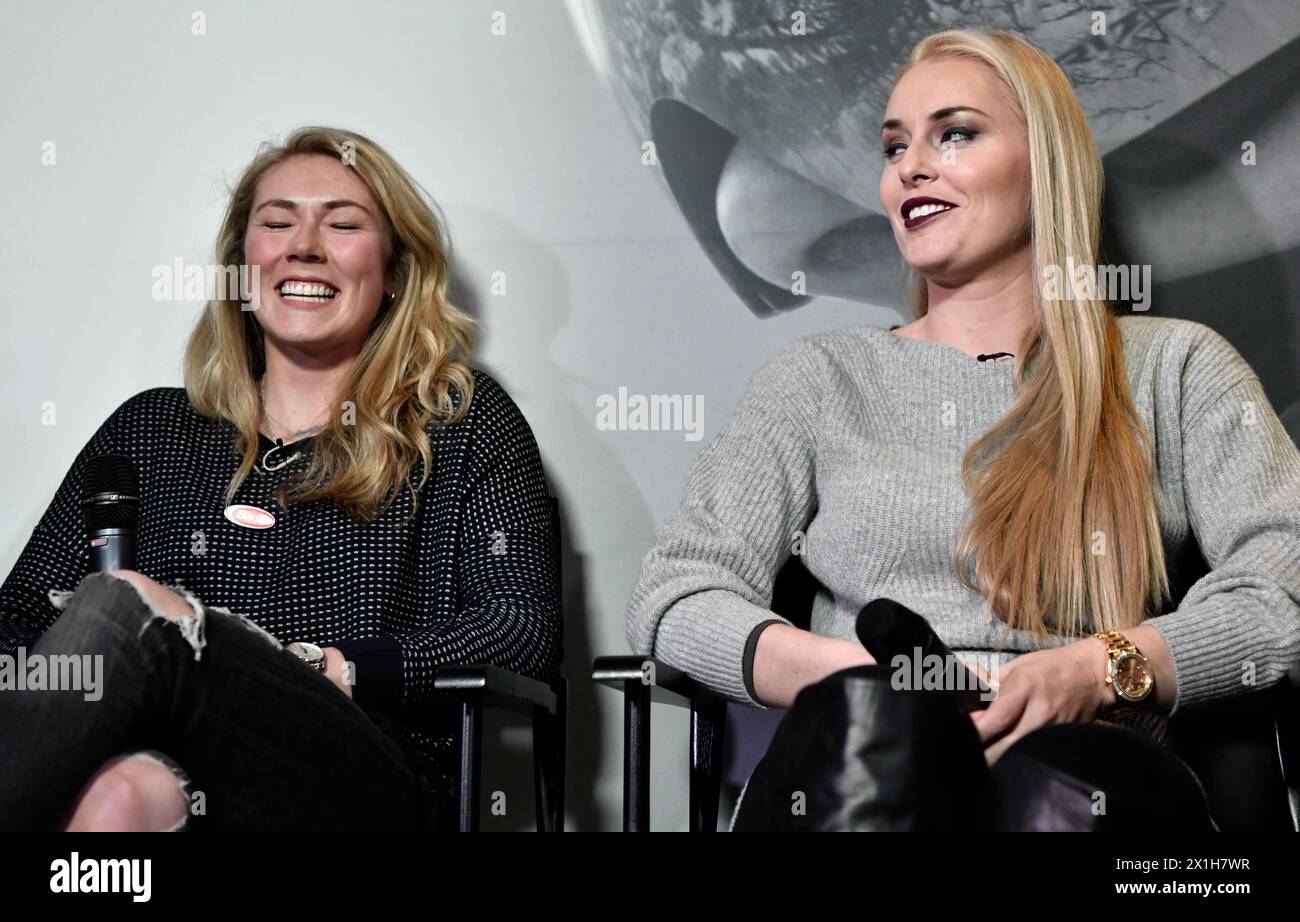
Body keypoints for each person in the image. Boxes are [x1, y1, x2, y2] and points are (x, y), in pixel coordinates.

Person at [625, 30, 1300, 829]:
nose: (909, 167)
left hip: (1092, 755)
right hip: (865, 749)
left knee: (1060, 791)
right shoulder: (817, 380)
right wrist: (851, 680)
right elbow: (675, 595)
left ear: (1044, 160)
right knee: (870, 739)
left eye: (955, 134)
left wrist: (1100, 669)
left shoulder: (1176, 368)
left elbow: (1281, 586)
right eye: (892, 146)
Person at [0, 126, 562, 831]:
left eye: (344, 224)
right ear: (243, 266)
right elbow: (14, 619)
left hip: (367, 776)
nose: (303, 245)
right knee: (117, 802)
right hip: (164, 763)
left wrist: (337, 670)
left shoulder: (461, 423)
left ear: (393, 272)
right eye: (277, 222)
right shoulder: (149, 430)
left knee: (129, 606)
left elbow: (520, 627)